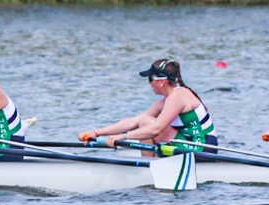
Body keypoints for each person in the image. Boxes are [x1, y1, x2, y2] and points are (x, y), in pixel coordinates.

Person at [80, 58, 218, 150]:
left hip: (202, 148)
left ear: (161, 81)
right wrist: (97, 133)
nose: (150, 84)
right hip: (186, 145)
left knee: (147, 123)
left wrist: (121, 137)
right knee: (143, 121)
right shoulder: (163, 102)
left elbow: (156, 129)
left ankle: (148, 166)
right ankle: (150, 162)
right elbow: (133, 121)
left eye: (150, 79)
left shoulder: (179, 96)